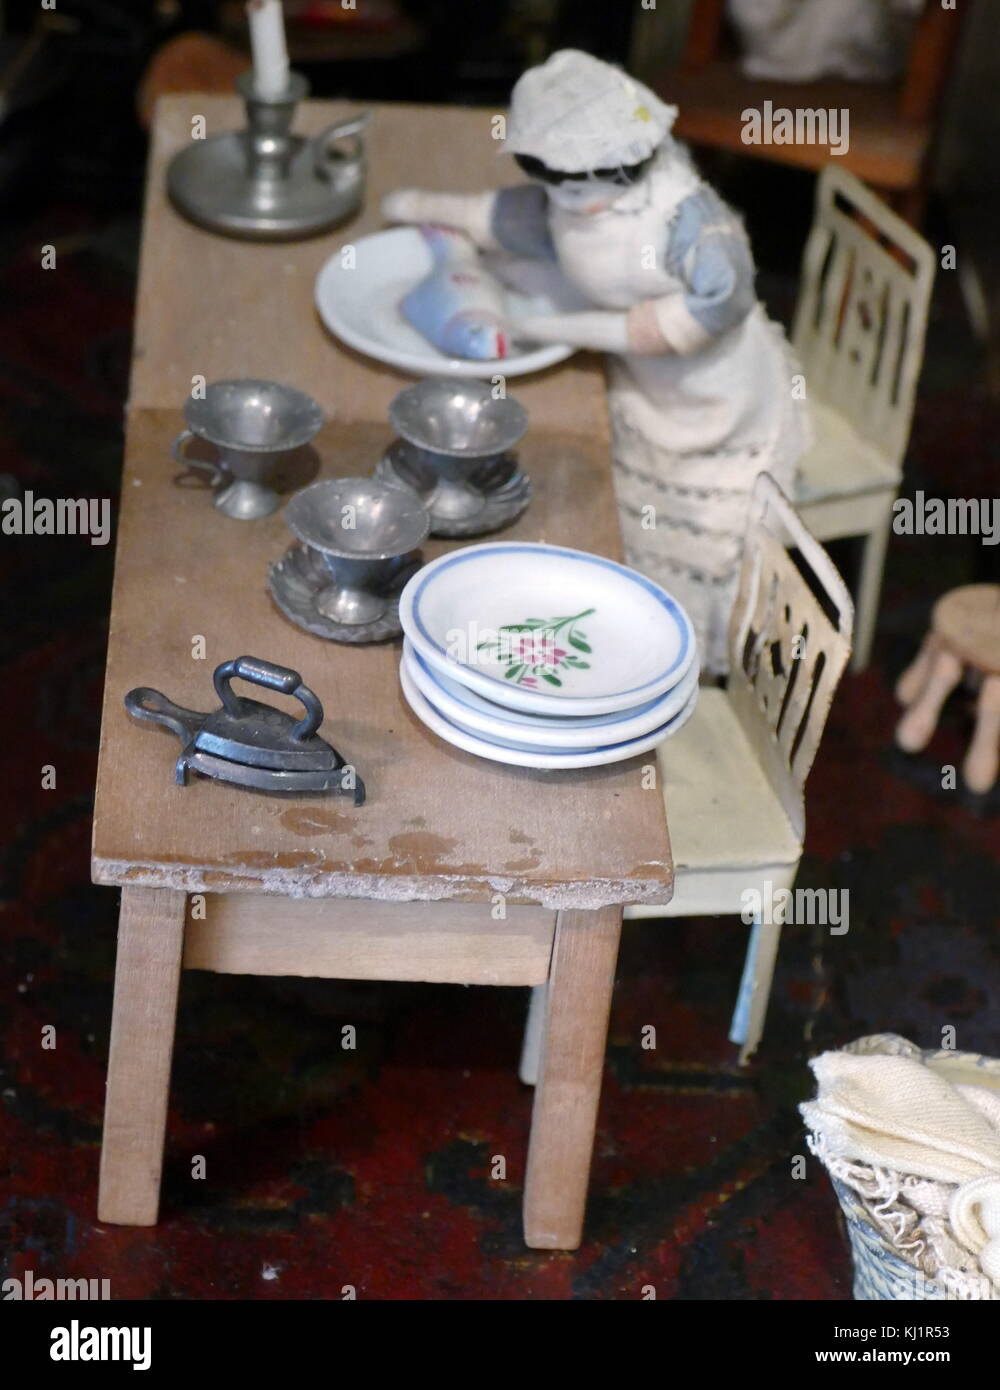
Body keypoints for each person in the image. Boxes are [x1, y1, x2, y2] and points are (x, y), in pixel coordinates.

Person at [383, 49, 810, 674]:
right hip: (640, 381)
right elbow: (503, 219)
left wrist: (563, 328)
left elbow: (709, 309)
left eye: (586, 178)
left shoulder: (684, 219)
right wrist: (421, 205)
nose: (570, 196)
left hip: (715, 398)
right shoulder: (566, 201)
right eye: (552, 175)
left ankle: (685, 661)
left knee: (700, 527)